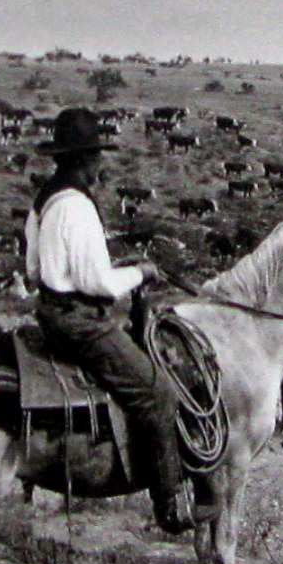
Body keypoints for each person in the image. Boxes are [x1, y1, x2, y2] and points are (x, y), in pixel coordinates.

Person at [21, 107, 192, 533]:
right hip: (80, 321)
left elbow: (32, 273)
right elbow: (96, 282)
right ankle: (168, 501)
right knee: (158, 392)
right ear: (87, 160)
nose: (100, 165)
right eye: (96, 157)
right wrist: (140, 272)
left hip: (50, 310)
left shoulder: (43, 201)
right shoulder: (77, 206)